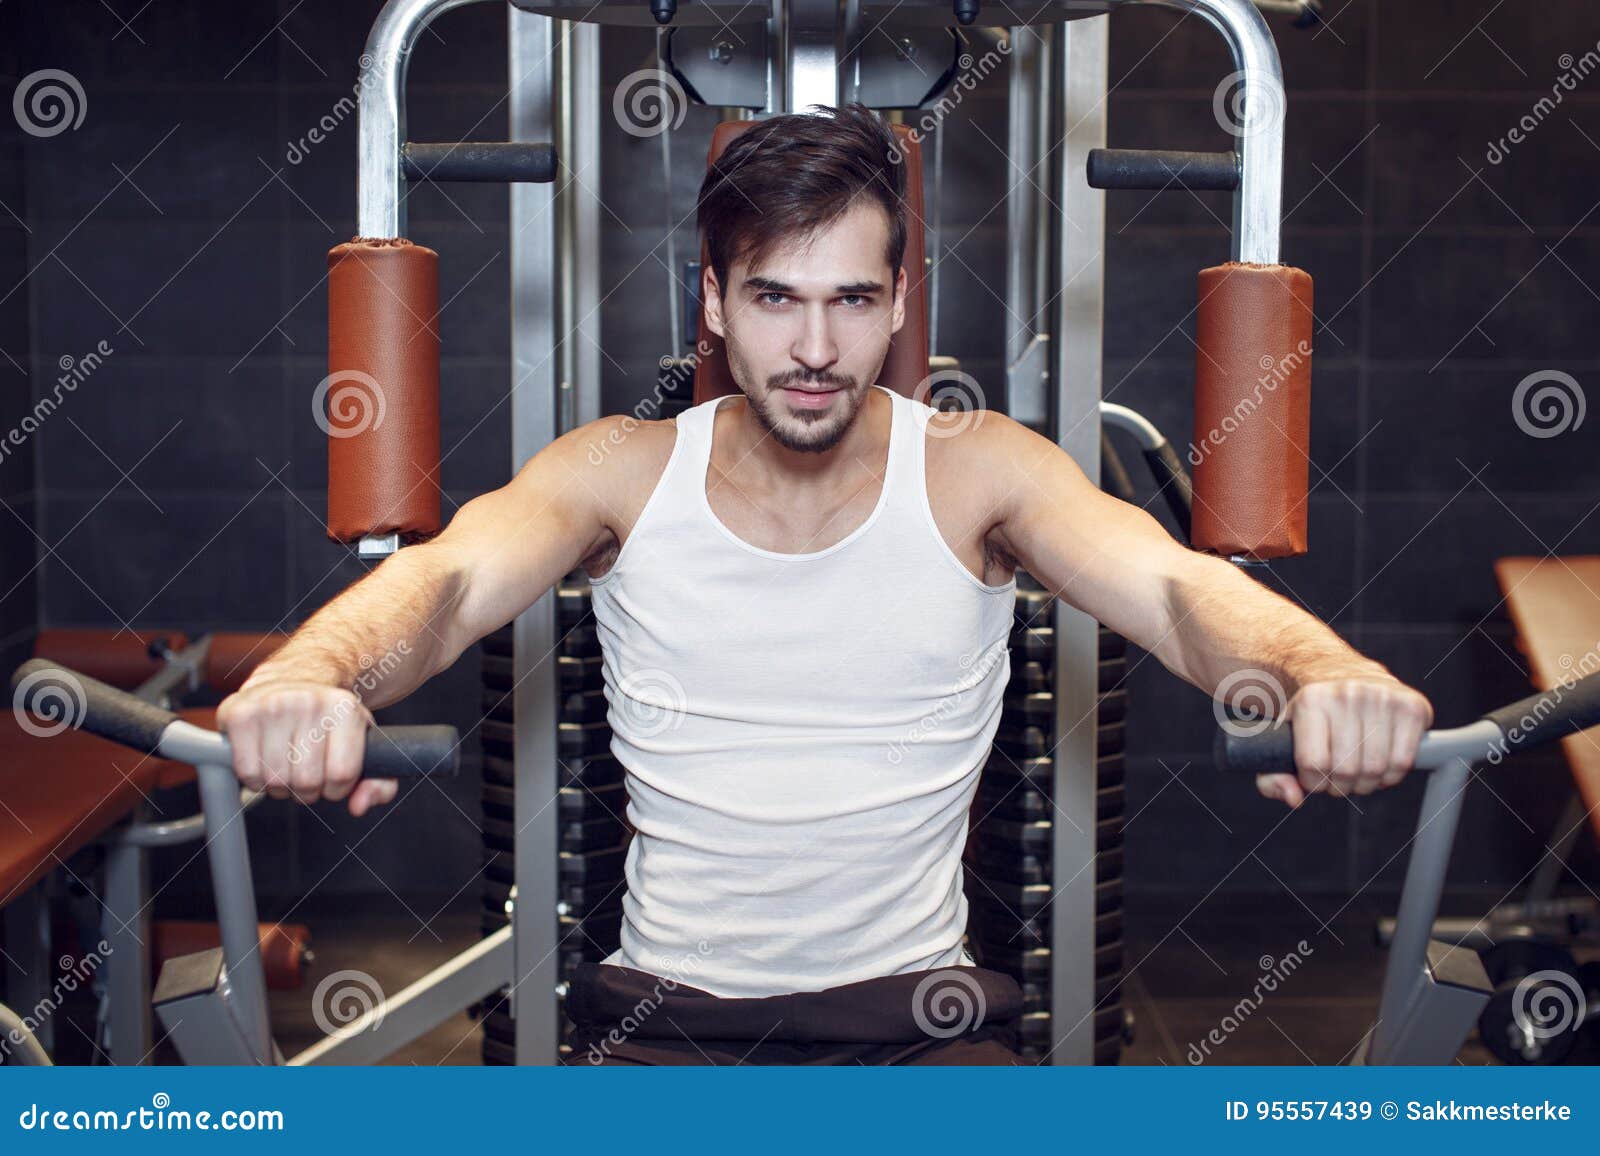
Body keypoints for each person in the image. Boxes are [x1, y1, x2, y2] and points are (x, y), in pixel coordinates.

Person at [217, 103, 1432, 1064]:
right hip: (665, 1028)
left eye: (851, 301)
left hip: (921, 1031)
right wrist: (314, 675)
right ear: (714, 302)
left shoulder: (977, 471)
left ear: (898, 302)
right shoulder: (620, 472)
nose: (811, 350)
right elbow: (444, 580)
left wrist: (1320, 669)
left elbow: (1171, 590)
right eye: (775, 300)